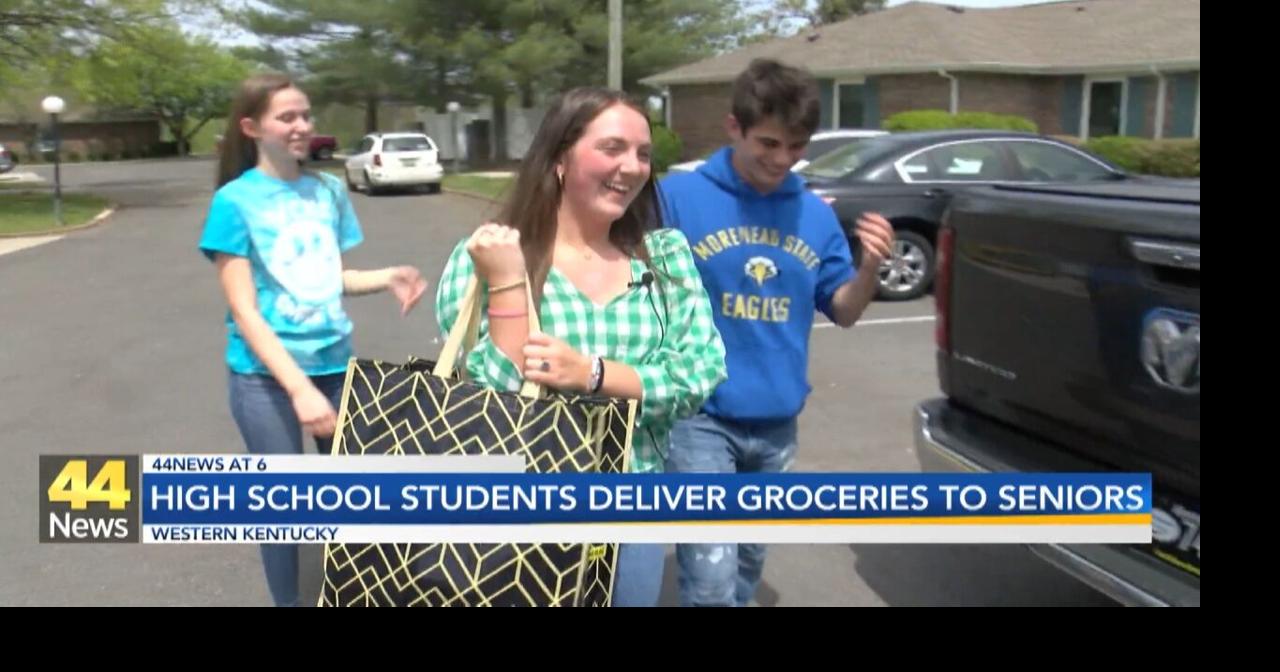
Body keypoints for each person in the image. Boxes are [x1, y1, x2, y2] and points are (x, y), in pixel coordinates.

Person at [435, 87, 727, 607]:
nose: (632, 167)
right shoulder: (489, 256)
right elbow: (491, 399)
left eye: (642, 154)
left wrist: (591, 373)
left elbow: (701, 374)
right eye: (612, 148)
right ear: (561, 158)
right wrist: (507, 283)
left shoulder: (664, 256)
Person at [659, 58, 896, 607]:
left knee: (745, 565)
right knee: (711, 575)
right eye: (768, 143)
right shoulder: (678, 198)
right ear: (733, 127)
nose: (782, 160)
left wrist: (868, 269)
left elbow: (843, 309)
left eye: (796, 147)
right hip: (699, 415)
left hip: (777, 422)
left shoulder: (813, 213)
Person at [198, 72, 427, 607]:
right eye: (287, 117)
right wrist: (299, 389)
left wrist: (388, 275)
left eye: (305, 115)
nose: (301, 126)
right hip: (267, 381)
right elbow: (244, 309)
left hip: (337, 369)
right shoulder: (235, 202)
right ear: (253, 127)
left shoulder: (327, 191)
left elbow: (329, 278)